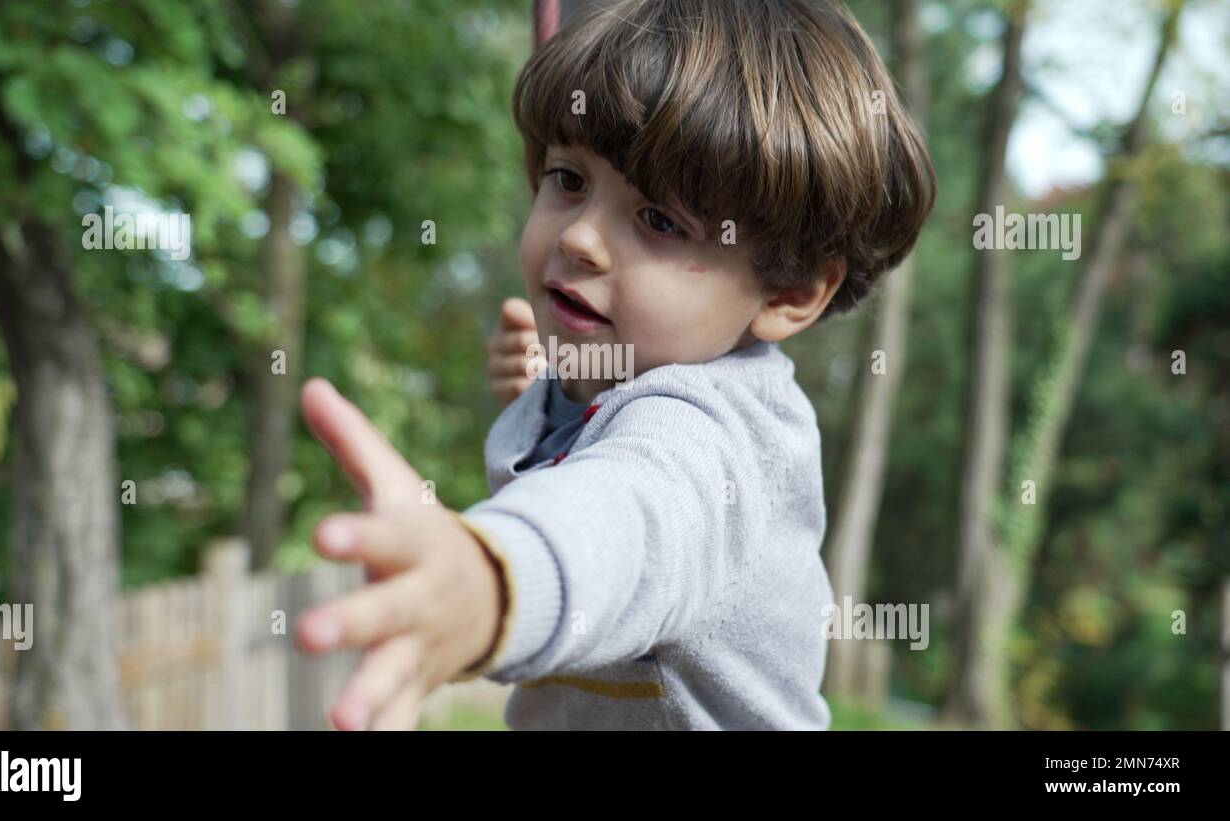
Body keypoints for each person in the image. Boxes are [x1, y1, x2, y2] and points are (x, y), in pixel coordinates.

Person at [296, 0, 935, 730]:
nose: (582, 238)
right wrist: (554, 391)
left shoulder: (711, 445)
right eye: (569, 178)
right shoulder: (630, 370)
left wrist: (490, 582)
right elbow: (602, 442)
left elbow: (628, 521)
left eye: (660, 220)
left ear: (790, 292)